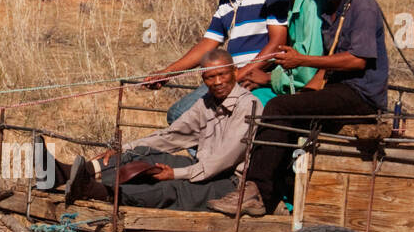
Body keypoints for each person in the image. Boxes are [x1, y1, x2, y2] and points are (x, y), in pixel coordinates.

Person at [207, 0, 390, 217]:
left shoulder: (361, 3)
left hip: (360, 95)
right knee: (286, 112)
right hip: (339, 89)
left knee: (280, 108)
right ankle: (276, 196)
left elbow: (357, 59)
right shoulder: (333, 7)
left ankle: (255, 192)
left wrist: (301, 61)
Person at [50, 48, 261, 211]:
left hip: (229, 183)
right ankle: (64, 174)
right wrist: (126, 148)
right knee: (145, 157)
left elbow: (221, 161)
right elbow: (171, 136)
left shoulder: (248, 106)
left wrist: (176, 174)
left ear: (234, 72)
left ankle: (94, 190)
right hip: (202, 168)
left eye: (222, 75)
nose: (217, 82)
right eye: (210, 77)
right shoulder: (207, 102)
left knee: (172, 188)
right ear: (203, 79)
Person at [143, 0, 290, 125]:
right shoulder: (227, 1)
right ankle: (210, 155)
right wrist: (169, 72)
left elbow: (277, 43)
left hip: (255, 75)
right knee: (179, 115)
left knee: (189, 118)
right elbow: (207, 44)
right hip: (230, 76)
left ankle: (213, 155)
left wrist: (242, 73)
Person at [234, 0, 328, 104]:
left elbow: (308, 68)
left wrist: (270, 78)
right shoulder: (290, 1)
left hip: (305, 89)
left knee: (247, 104)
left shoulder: (312, 3)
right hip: (288, 81)